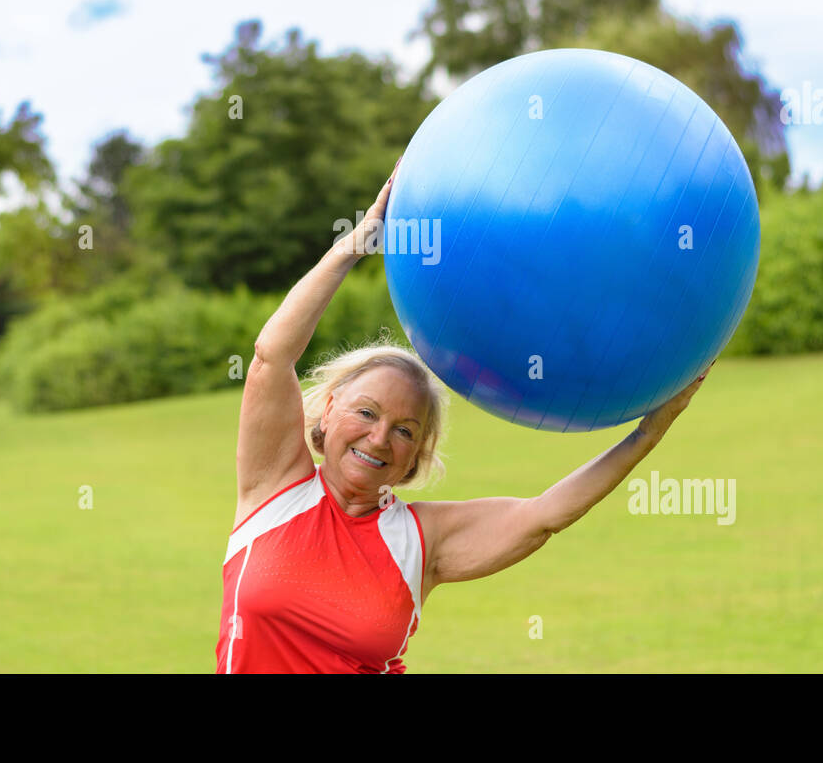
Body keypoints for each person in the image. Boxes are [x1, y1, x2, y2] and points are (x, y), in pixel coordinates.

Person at [216, 162, 712, 673]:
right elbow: (272, 356)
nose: (380, 437)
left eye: (405, 430)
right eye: (367, 412)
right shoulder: (274, 486)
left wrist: (649, 433)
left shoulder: (419, 541)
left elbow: (542, 516)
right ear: (329, 409)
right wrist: (360, 240)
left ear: (416, 455)